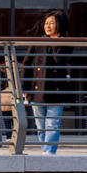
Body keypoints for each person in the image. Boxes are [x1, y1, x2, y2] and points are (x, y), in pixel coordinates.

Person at [25, 11, 74, 154]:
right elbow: (27, 64)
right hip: (37, 89)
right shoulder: (37, 42)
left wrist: (56, 40)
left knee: (52, 124)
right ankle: (45, 150)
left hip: (56, 90)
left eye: (51, 23)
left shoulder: (67, 42)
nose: (47, 26)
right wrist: (24, 88)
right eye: (46, 23)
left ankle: (49, 153)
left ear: (60, 25)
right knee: (40, 125)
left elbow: (58, 59)